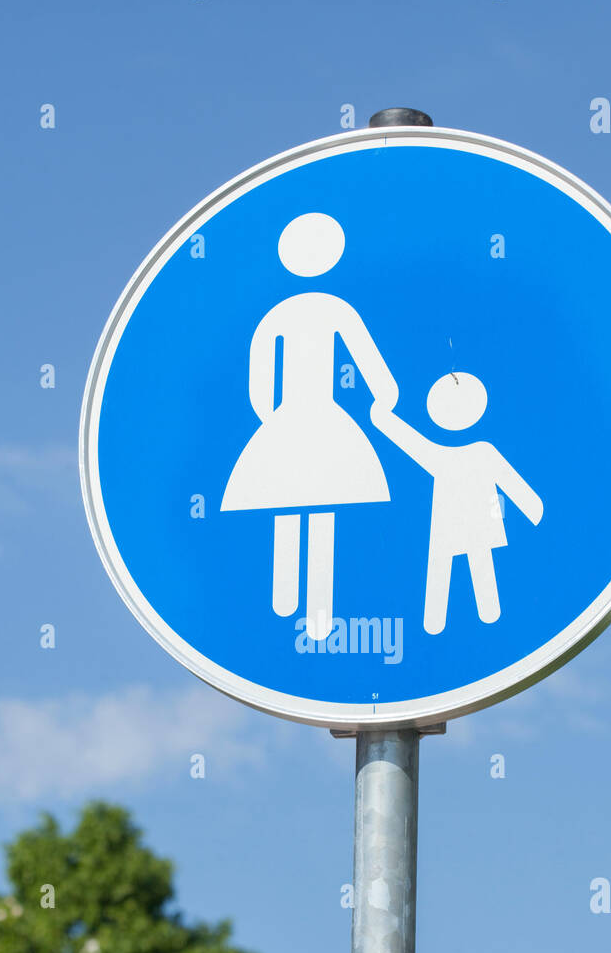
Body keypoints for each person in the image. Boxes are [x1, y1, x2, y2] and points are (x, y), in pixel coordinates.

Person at [221, 212, 398, 641]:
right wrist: (384, 398)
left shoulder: (278, 315)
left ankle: (290, 602)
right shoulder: (334, 309)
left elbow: (258, 383)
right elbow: (371, 365)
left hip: (290, 418)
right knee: (322, 504)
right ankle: (311, 610)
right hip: (323, 418)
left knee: (287, 498)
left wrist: (272, 420)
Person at [371, 372, 543, 634]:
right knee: (462, 564)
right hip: (462, 523)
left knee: (458, 565)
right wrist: (533, 508)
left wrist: (382, 417)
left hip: (460, 523)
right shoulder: (476, 452)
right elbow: (512, 482)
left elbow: (411, 442)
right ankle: (449, 622)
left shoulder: (450, 455)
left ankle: (443, 623)